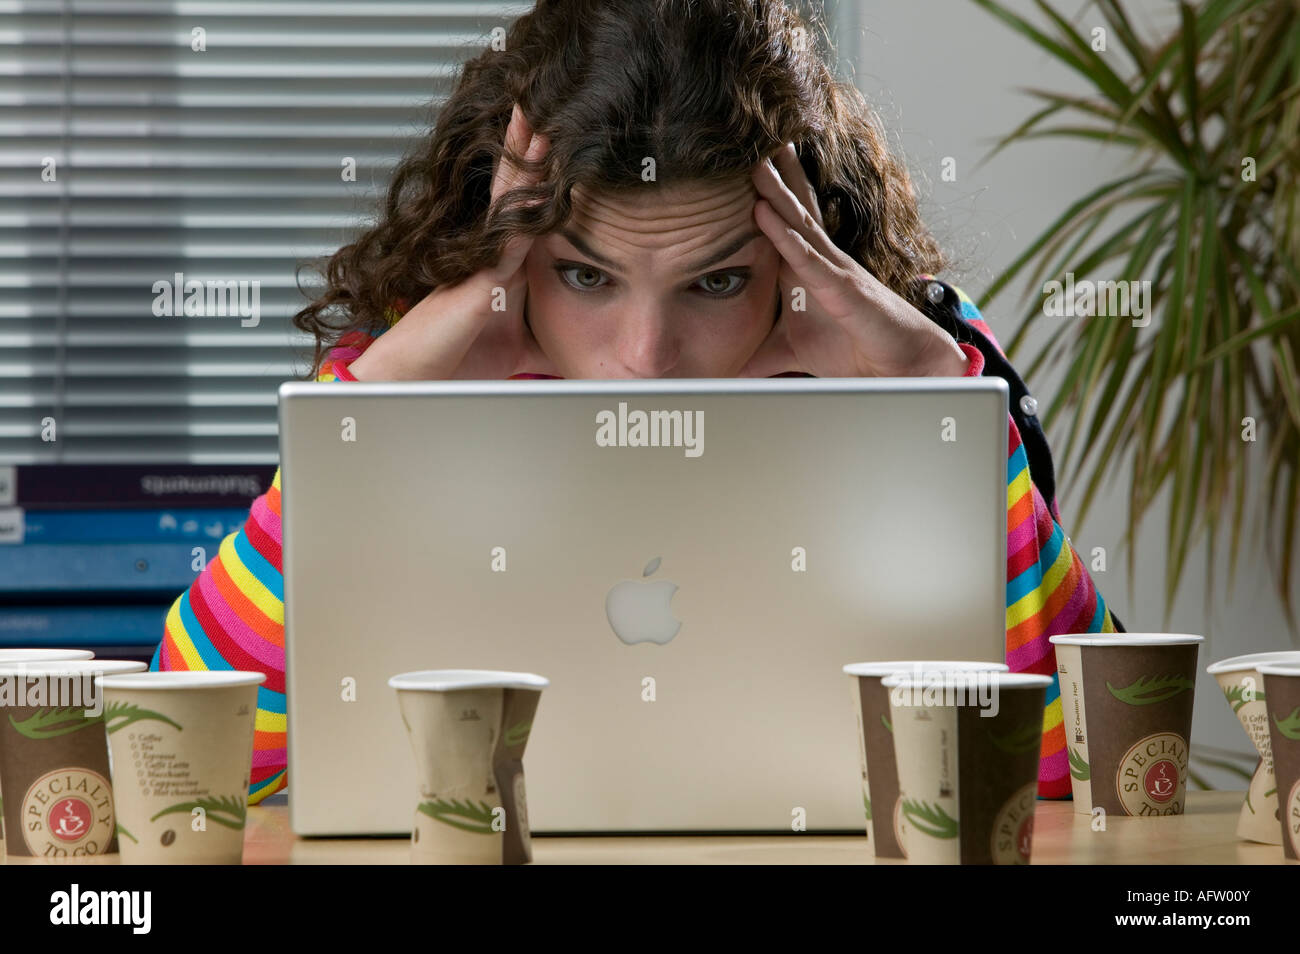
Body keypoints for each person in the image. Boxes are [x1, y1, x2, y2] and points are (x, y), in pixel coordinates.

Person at [151, 0, 1125, 805]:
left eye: (712, 284)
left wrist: (931, 406)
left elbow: (1081, 763)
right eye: (584, 277)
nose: (647, 358)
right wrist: (377, 407)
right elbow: (191, 757)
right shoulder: (411, 379)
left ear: (798, 265)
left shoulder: (914, 369)